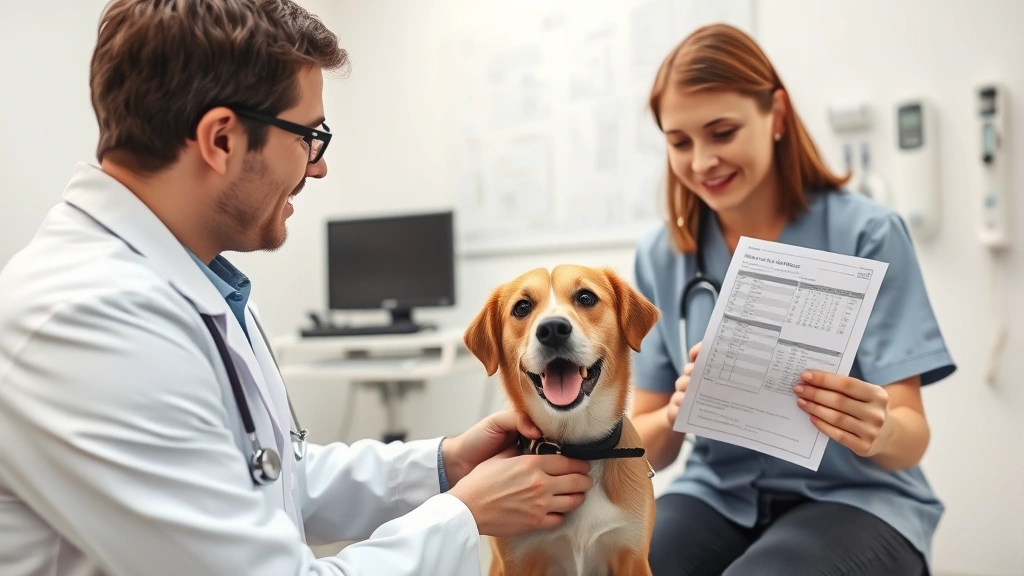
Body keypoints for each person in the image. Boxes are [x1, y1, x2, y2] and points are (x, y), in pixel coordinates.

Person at [0, 1, 594, 575]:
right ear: (222, 140)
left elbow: (273, 477)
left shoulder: (197, 284)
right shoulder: (90, 323)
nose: (318, 167)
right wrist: (464, 516)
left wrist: (444, 464)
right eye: (308, 136)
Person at [630, 24, 955, 576]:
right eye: (679, 141)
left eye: (722, 132)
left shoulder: (867, 234)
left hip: (857, 496)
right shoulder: (664, 255)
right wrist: (676, 414)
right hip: (718, 493)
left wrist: (880, 427)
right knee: (626, 563)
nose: (702, 161)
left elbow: (911, 436)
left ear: (776, 115)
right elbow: (648, 448)